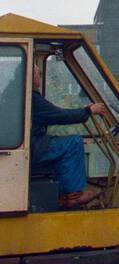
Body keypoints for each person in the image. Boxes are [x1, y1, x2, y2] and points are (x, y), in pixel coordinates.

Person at [31, 60, 108, 210]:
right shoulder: (32, 98)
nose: (40, 75)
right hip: (34, 147)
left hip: (34, 144)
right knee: (73, 142)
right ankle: (73, 196)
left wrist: (81, 111)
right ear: (30, 76)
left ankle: (63, 195)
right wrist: (88, 111)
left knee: (62, 144)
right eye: (37, 72)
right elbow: (59, 115)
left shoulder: (22, 95)